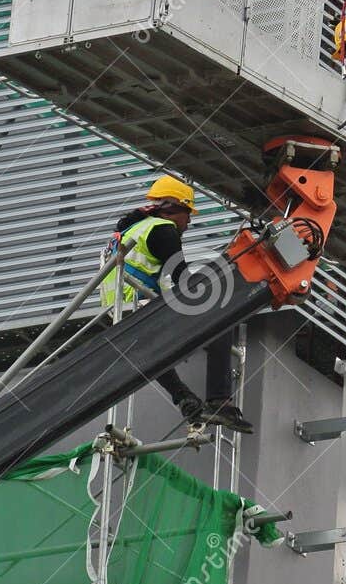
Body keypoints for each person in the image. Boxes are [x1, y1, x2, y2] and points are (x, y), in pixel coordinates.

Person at [99, 174, 253, 433]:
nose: (189, 222)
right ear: (174, 208)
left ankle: (184, 398)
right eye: (188, 214)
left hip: (117, 312)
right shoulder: (163, 230)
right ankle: (219, 402)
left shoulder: (130, 230)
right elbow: (183, 280)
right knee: (220, 321)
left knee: (153, 354)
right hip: (139, 304)